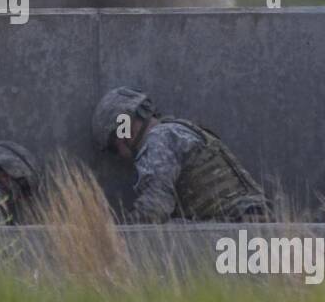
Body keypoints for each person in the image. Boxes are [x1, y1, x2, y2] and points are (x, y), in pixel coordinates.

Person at [92, 87, 269, 223]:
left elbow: (154, 209)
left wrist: (120, 237)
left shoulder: (157, 142)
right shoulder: (177, 130)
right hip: (253, 224)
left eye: (113, 149)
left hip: (234, 232)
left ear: (122, 132)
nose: (119, 156)